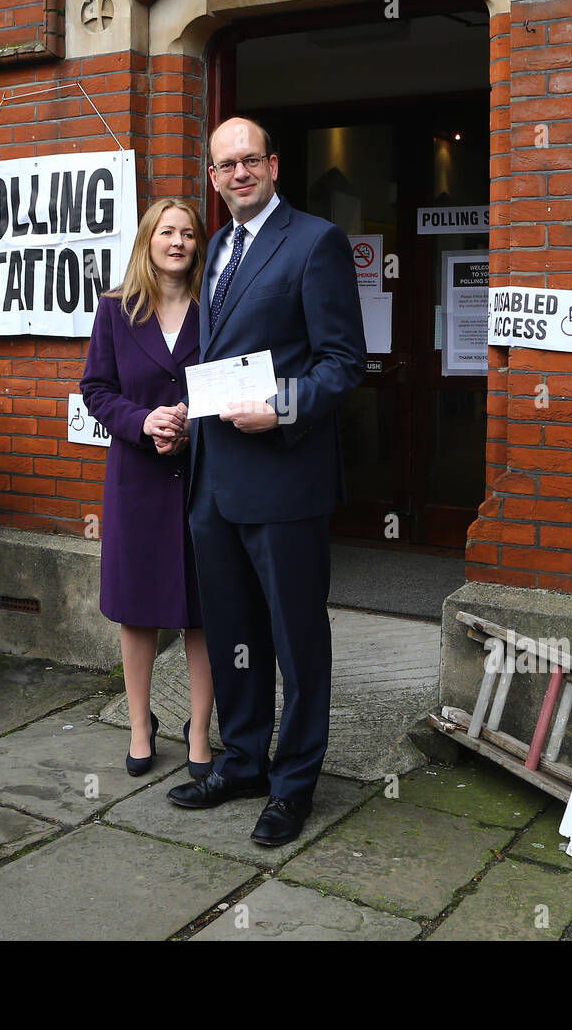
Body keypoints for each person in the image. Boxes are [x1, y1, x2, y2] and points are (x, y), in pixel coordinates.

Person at [167, 117, 366, 846]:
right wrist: (184, 413)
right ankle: (244, 760)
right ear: (213, 178)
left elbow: (345, 365)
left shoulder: (315, 242)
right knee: (234, 636)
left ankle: (293, 785)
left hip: (285, 484)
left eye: (251, 160)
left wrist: (281, 407)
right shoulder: (215, 247)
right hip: (213, 484)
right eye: (225, 165)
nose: (238, 173)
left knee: (297, 640)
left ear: (274, 166)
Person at [81, 199, 216, 778]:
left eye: (188, 233)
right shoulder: (115, 310)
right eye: (167, 231)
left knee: (201, 609)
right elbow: (96, 388)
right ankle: (140, 724)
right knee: (138, 610)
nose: (178, 241)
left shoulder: (218, 306)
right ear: (147, 240)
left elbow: (232, 382)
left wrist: (192, 423)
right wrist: (142, 422)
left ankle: (201, 730)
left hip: (201, 478)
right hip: (137, 481)